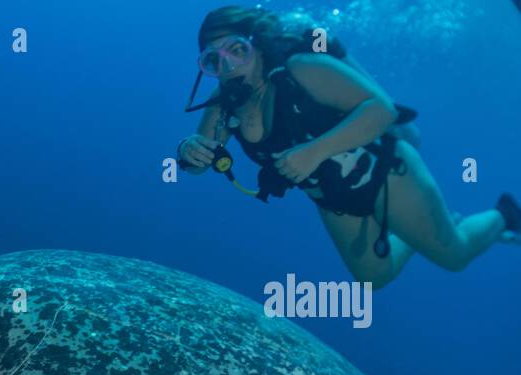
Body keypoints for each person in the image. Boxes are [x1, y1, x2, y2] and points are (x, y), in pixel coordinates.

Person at [178, 6, 517, 288]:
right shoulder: (221, 105)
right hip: (333, 198)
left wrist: (314, 151)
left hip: (385, 173)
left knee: (453, 256)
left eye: (237, 50)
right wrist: (187, 150)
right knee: (373, 278)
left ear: (258, 46)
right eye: (214, 60)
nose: (229, 66)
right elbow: (200, 162)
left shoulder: (301, 70)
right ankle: (425, 233)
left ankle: (505, 215)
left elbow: (382, 109)